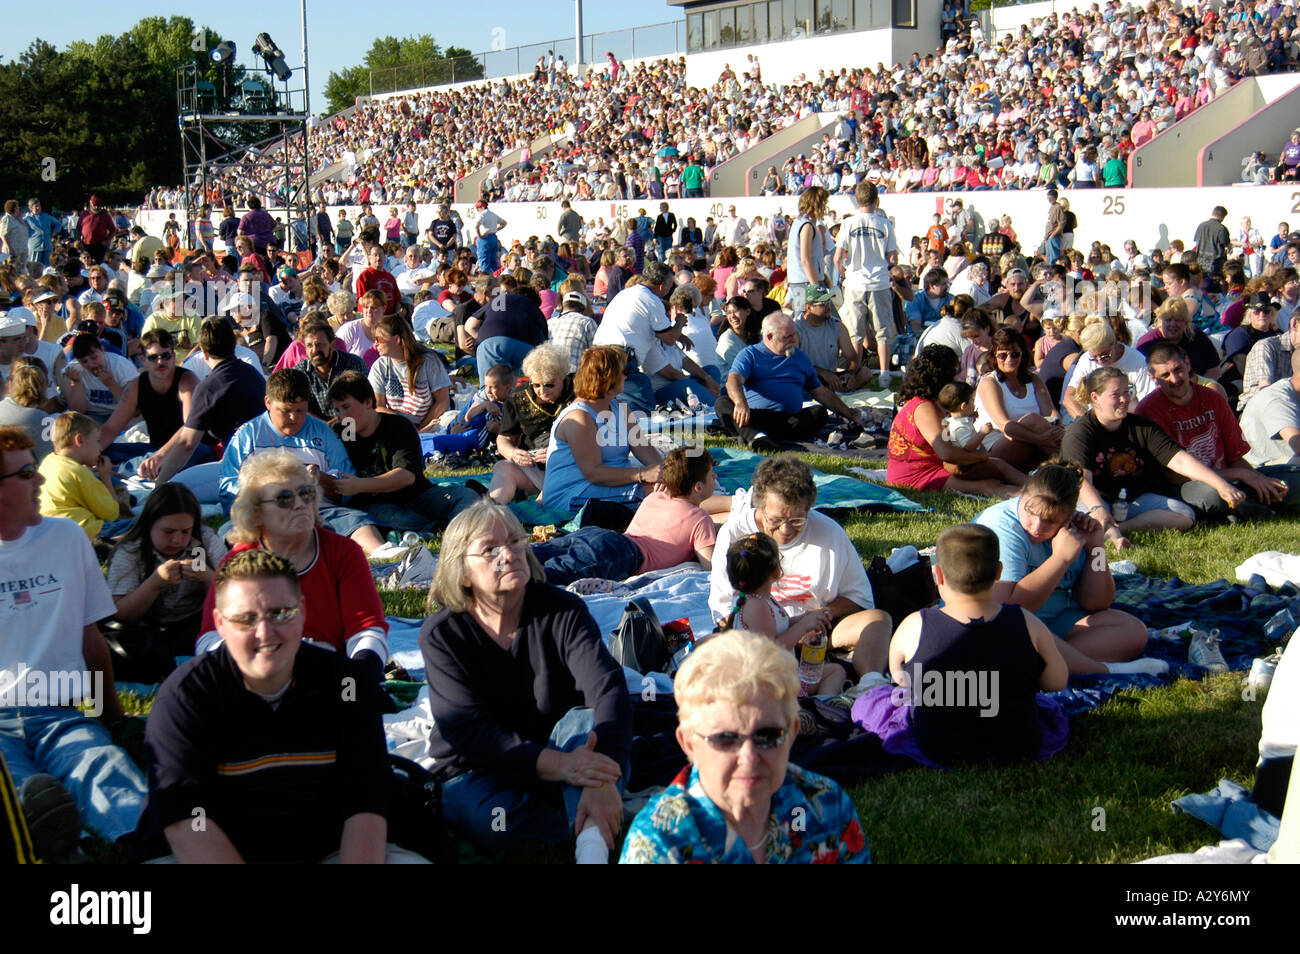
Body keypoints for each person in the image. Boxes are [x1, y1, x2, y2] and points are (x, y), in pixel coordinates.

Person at [138, 549, 406, 864]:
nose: (265, 633)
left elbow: (365, 802)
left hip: (326, 849)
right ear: (220, 625)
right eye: (246, 619)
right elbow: (188, 820)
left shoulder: (346, 686)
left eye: (281, 613)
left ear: (303, 612)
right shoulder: (185, 697)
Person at [420, 501, 633, 861]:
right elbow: (471, 734)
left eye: (515, 541)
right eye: (490, 549)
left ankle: (592, 830)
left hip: (566, 749)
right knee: (497, 824)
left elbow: (607, 688)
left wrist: (603, 773)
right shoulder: (443, 635)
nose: (509, 553)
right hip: (480, 768)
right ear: (462, 572)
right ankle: (599, 819)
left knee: (584, 720)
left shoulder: (563, 610)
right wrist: (564, 767)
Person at [0, 426, 147, 845]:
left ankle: (140, 846)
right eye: (27, 473)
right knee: (18, 794)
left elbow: (91, 638)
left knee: (109, 772)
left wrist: (113, 718)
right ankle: (55, 840)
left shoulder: (64, 537)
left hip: (57, 713)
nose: (41, 481)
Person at [620, 629, 869, 864]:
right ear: (689, 744)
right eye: (726, 738)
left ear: (792, 734)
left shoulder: (826, 806)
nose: (749, 756)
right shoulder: (658, 845)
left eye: (768, 735)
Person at [851, 523, 1069, 766]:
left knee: (876, 700)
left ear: (937, 574)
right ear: (998, 572)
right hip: (1017, 743)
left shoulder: (915, 625)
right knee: (1046, 707)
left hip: (936, 744)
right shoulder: (1027, 621)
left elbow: (901, 679)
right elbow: (1057, 681)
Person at [197, 449, 388, 681]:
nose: (300, 504)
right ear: (256, 513)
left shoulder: (343, 552)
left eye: (306, 493)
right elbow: (211, 637)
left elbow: (366, 628)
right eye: (284, 499)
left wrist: (361, 672)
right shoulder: (237, 562)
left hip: (330, 673)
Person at [973, 460, 1166, 676]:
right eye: (1031, 512)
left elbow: (1097, 602)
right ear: (1022, 495)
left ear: (1069, 515)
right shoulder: (1003, 528)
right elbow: (1005, 611)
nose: (1037, 526)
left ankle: (1045, 663)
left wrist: (1096, 548)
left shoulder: (1077, 527)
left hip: (1055, 620)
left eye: (1050, 520)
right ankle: (1097, 668)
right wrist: (1060, 560)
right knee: (1010, 634)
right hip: (1005, 626)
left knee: (1134, 632)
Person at [709, 455, 890, 679]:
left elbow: (859, 598)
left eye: (797, 521)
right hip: (758, 643)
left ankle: (870, 684)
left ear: (809, 509)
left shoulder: (830, 533)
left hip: (818, 632)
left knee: (878, 620)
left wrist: (814, 620)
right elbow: (723, 608)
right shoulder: (735, 534)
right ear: (760, 505)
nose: (785, 531)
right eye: (775, 520)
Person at [218, 369, 393, 557]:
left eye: (300, 411)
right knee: (228, 532)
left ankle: (384, 554)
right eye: (285, 411)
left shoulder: (323, 433)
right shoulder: (248, 435)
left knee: (358, 521)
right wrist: (264, 491)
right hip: (265, 513)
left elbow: (345, 481)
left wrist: (321, 478)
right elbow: (227, 486)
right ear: (268, 403)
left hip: (318, 512)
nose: (293, 418)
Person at [1061, 367, 1245, 546]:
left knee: (1185, 515)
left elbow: (1180, 460)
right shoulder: (1081, 432)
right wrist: (1099, 509)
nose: (1125, 399)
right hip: (1094, 500)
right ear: (1095, 398)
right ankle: (1111, 536)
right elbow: (1081, 481)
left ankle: (1121, 529)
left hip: (1133, 501)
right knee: (1092, 518)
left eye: (1127, 392)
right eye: (1116, 395)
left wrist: (1220, 485)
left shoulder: (1140, 426)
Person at [1138, 341, 1294, 520]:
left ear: (1188, 364)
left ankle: (1249, 505)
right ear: (1153, 378)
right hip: (1188, 485)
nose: (1175, 379)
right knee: (1212, 495)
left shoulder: (1213, 398)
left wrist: (1259, 480)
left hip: (1230, 477)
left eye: (1178, 369)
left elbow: (1235, 456)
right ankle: (1261, 511)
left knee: (1291, 479)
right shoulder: (1149, 411)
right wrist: (1241, 475)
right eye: (1165, 375)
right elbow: (1175, 476)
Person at [531, 445, 719, 585]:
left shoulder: (656, 497)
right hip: (625, 554)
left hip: (598, 535)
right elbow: (710, 565)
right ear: (698, 487)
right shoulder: (700, 518)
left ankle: (504, 560)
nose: (716, 477)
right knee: (551, 576)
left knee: (536, 553)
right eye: (712, 475)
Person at [327, 372, 478, 532]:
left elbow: (406, 476)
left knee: (466, 496)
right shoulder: (344, 432)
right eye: (337, 410)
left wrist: (359, 485)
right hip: (377, 505)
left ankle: (453, 524)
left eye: (346, 407)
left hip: (416, 495)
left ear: (367, 402)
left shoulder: (398, 426)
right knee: (386, 518)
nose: (342, 416)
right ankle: (441, 528)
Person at [105, 483, 224, 680]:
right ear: (150, 523)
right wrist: (154, 583)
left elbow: (234, 593)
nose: (177, 540)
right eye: (168, 532)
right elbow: (121, 612)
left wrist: (207, 577)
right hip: (146, 628)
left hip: (195, 621)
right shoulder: (131, 552)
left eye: (185, 532)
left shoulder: (206, 542)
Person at [540, 345, 662, 520]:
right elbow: (594, 473)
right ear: (607, 379)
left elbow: (645, 449)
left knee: (671, 486)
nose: (627, 375)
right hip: (573, 492)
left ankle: (710, 515)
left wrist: (665, 473)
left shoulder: (620, 408)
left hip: (613, 482)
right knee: (663, 495)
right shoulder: (579, 418)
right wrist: (642, 475)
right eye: (623, 370)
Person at [145, 317, 267, 489]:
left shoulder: (209, 388)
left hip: (244, 470)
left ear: (204, 352)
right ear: (234, 345)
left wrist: (160, 484)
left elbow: (186, 444)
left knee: (175, 486)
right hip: (269, 460)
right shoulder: (253, 374)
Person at [717, 313, 866, 450]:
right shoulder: (751, 354)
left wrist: (850, 414)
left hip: (787, 421)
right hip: (754, 416)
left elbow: (821, 393)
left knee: (819, 412)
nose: (793, 339)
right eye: (787, 337)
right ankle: (755, 437)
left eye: (794, 334)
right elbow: (734, 380)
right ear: (769, 337)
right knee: (722, 403)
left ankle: (759, 436)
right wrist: (740, 403)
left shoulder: (800, 357)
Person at [887, 344, 1020, 497]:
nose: (957, 377)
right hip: (917, 475)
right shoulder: (924, 407)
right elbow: (947, 453)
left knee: (998, 467)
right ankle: (1034, 494)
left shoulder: (926, 403)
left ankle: (1037, 487)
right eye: (955, 372)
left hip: (928, 468)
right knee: (989, 484)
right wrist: (981, 456)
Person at [720, 532, 845, 695]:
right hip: (769, 688)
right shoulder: (756, 606)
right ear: (776, 571)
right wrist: (802, 626)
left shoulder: (757, 599)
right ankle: (821, 708)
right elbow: (772, 651)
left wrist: (804, 618)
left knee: (834, 670)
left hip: (772, 678)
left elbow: (775, 626)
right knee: (836, 672)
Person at [487, 344, 573, 505]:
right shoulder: (518, 398)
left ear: (563, 376)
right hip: (537, 468)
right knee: (503, 467)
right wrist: (513, 453)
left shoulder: (580, 391)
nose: (542, 390)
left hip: (574, 467)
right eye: (536, 385)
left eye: (549, 384)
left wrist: (559, 454)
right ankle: (494, 510)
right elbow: (504, 439)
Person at [835, 182, 900, 382]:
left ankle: (856, 373)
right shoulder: (884, 223)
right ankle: (884, 374)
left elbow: (838, 257)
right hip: (879, 282)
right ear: (876, 200)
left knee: (855, 332)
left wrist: (844, 274)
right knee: (882, 331)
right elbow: (893, 258)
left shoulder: (848, 223)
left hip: (855, 282)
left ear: (857, 200)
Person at [974, 327, 1064, 470]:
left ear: (1022, 355)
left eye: (1015, 354)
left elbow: (1051, 413)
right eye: (1003, 355)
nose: (1009, 359)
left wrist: (1058, 428)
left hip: (1037, 442)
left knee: (1059, 427)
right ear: (994, 356)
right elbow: (1004, 425)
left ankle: (1063, 466)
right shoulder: (990, 382)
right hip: (997, 445)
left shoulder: (1033, 379)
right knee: (1032, 420)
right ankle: (1072, 465)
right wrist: (1040, 438)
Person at [37, 412, 129, 543]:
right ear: (79, 440)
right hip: (87, 531)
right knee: (145, 524)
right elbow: (111, 514)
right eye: (97, 441)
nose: (100, 447)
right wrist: (106, 478)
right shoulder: (79, 473)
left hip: (54, 530)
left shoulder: (48, 462)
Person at [368, 314, 452, 433]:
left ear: (397, 339)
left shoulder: (428, 361)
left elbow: (442, 401)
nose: (375, 344)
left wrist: (421, 429)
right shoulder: (379, 366)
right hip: (398, 426)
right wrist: (407, 428)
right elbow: (378, 407)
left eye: (379, 339)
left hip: (430, 421)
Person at [1060, 318, 1156, 421]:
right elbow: (1069, 398)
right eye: (1094, 358)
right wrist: (1087, 423)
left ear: (1114, 343)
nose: (1100, 362)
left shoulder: (1137, 361)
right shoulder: (1086, 360)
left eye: (1104, 355)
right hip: (1093, 419)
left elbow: (1148, 403)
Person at [465, 287, 548, 385]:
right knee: (510, 388)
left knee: (491, 388)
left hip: (494, 343)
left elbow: (470, 325)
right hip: (527, 347)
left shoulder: (500, 300)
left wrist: (482, 338)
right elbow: (545, 342)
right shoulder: (535, 309)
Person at [796, 286, 872, 392]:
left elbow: (852, 358)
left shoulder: (836, 325)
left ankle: (835, 390)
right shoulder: (796, 328)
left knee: (865, 373)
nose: (828, 307)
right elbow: (794, 363)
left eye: (828, 302)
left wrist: (850, 374)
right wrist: (823, 373)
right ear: (808, 308)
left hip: (831, 377)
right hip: (807, 377)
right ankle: (830, 393)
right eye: (822, 304)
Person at [291, 316, 367, 420]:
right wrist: (326, 428)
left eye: (319, 345)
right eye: (309, 346)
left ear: (332, 344)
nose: (314, 350)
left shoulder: (353, 364)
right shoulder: (300, 372)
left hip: (354, 423)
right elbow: (299, 408)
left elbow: (365, 401)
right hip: (317, 429)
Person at [1193, 205, 1232, 278]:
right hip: (1216, 264)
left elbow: (1196, 241)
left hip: (1201, 262)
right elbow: (1226, 245)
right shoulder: (1221, 229)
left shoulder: (1201, 226)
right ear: (1223, 216)